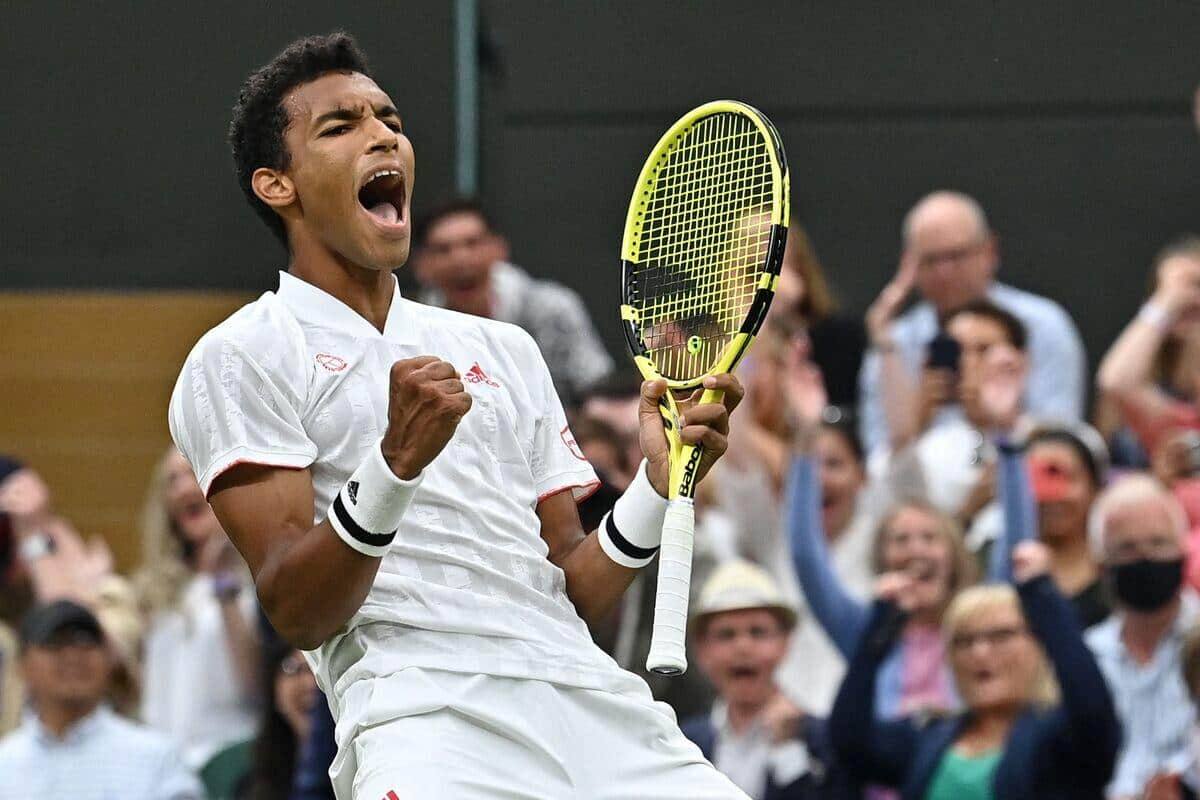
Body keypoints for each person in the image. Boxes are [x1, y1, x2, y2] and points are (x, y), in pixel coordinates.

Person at [171, 33, 746, 799]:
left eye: (390, 119)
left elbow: (571, 590)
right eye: (339, 126)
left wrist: (654, 483)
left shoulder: (504, 348)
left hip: (587, 700)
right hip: (425, 718)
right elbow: (297, 609)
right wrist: (393, 466)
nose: (384, 135)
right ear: (278, 185)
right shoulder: (241, 354)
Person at [829, 541, 1120, 800]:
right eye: (963, 641)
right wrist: (881, 625)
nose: (979, 652)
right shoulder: (928, 737)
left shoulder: (1062, 740)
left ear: (1040, 644)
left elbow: (1092, 710)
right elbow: (850, 741)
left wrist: (1042, 594)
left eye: (1000, 636)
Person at [858, 190, 1086, 457]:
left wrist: (1004, 422)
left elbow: (1061, 441)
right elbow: (876, 458)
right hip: (922, 486)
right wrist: (918, 416)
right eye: (930, 260)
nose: (944, 272)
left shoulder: (1044, 325)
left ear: (990, 250)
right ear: (909, 264)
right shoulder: (893, 342)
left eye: (956, 256)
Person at [413, 197, 614, 404]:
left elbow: (596, 390)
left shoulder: (553, 309)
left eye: (472, 243)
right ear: (422, 265)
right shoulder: (414, 329)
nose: (460, 259)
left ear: (499, 248)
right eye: (443, 249)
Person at [135, 447, 261, 769]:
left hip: (229, 761)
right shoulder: (157, 589)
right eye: (171, 480)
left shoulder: (257, 580)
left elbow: (256, 686)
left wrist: (224, 590)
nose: (181, 489)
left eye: (191, 473)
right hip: (162, 767)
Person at [0, 600, 203, 800]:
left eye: (86, 642)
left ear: (108, 659)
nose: (73, 655)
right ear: (22, 664)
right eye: (55, 643)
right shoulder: (6, 764)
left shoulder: (156, 758)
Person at [1085, 474, 1199, 799]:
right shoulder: (1088, 656)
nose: (1145, 557)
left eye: (1158, 543)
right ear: (1102, 565)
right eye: (1127, 548)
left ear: (1182, 551)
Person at [680, 560, 821, 800]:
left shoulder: (820, 739)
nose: (743, 647)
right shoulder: (684, 743)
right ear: (702, 650)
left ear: (785, 642)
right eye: (726, 635)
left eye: (758, 632)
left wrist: (789, 751)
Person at [765, 221, 866, 408]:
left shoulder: (840, 336)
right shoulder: (726, 349)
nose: (770, 279)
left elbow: (840, 433)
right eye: (755, 270)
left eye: (779, 264)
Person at [1023, 422, 1113, 627]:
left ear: (1095, 487)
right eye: (1038, 479)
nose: (1052, 496)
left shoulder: (1119, 565)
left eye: (1064, 477)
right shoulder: (997, 561)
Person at [245, 641, 325, 800]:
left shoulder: (360, 771)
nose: (310, 684)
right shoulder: (254, 785)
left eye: (315, 669)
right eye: (293, 669)